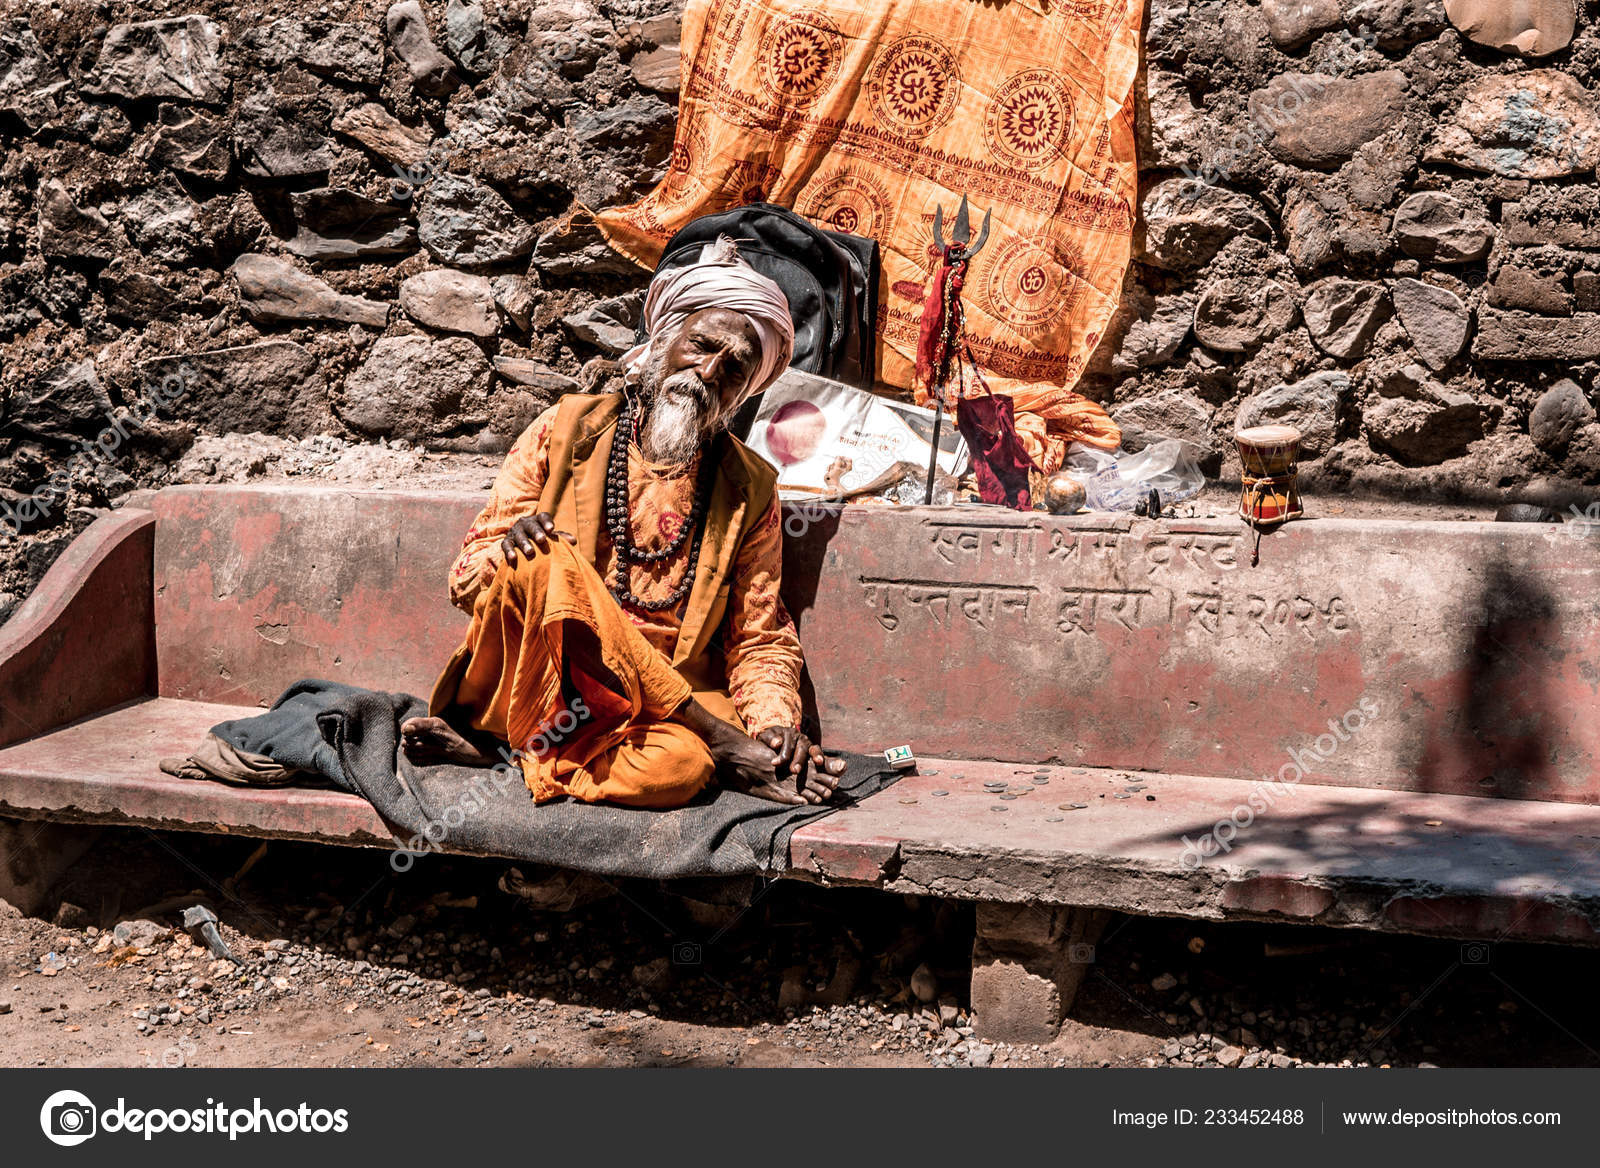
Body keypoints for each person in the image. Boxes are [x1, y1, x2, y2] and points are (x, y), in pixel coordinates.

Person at [400, 238, 848, 809]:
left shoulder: (750, 489)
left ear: (744, 392)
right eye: (702, 346)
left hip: (637, 713)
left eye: (734, 369)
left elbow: (758, 635)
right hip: (537, 682)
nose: (709, 371)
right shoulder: (561, 430)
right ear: (665, 341)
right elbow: (465, 581)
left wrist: (774, 728)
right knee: (543, 557)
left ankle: (512, 757)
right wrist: (507, 553)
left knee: (682, 772)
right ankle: (717, 740)